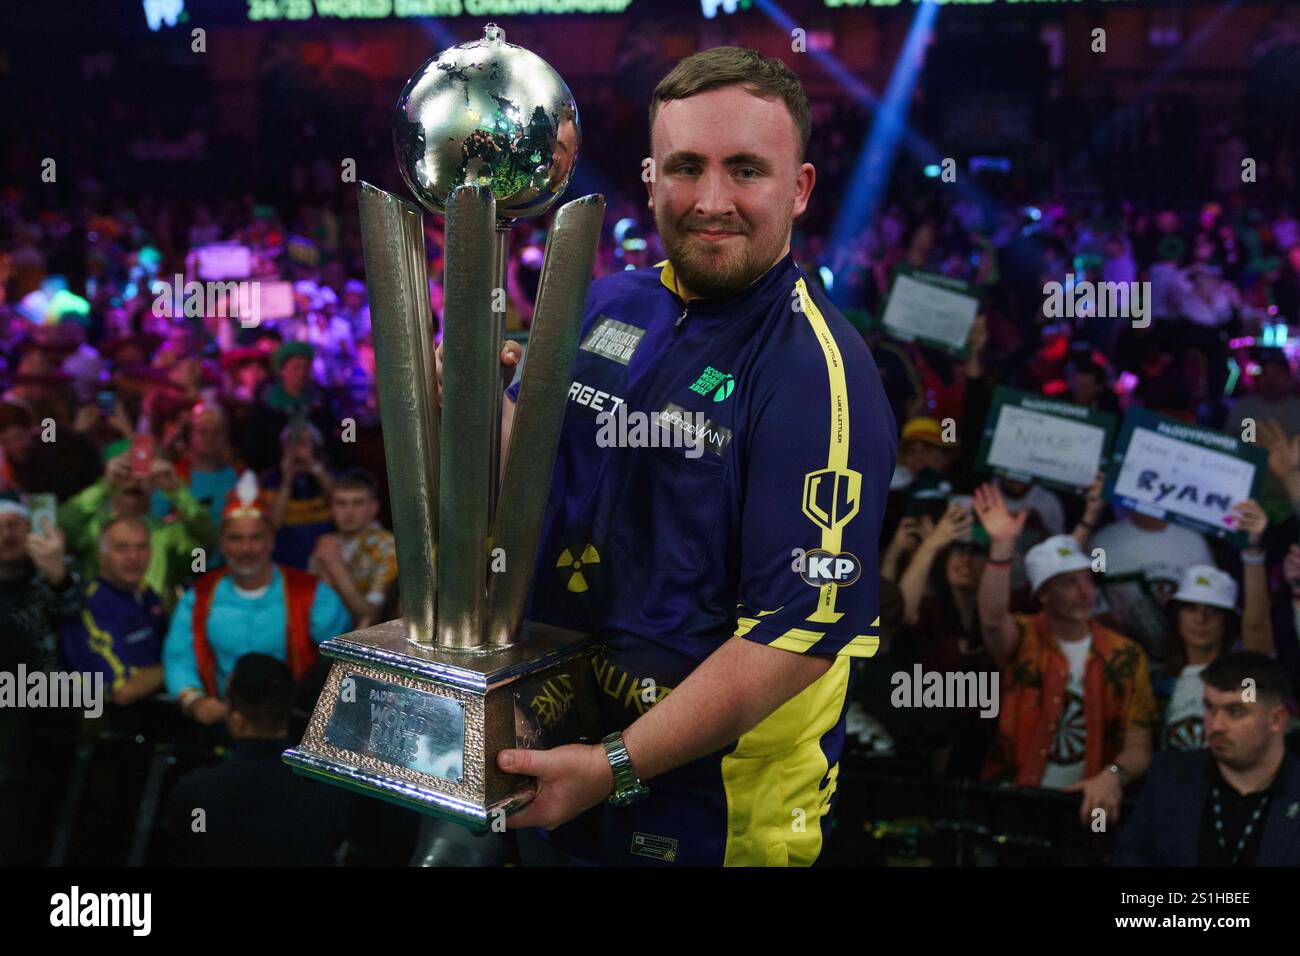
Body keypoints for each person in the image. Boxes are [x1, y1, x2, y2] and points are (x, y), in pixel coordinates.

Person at [442, 47, 895, 866]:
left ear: (799, 189)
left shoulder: (820, 377)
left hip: (708, 816)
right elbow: (518, 486)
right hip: (553, 762)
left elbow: (795, 639)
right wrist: (471, 407)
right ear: (650, 179)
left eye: (746, 169)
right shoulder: (601, 302)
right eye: (686, 167)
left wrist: (613, 766)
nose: (711, 201)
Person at [973, 483, 1156, 827]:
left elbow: (1139, 748)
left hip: (1085, 811)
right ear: (1043, 593)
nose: (1083, 591)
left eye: (1087, 580)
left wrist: (1112, 776)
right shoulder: (1025, 636)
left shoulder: (1126, 655)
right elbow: (992, 620)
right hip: (1013, 803)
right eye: (1068, 583)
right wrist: (1002, 547)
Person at [162, 472, 351, 726]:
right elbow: (178, 656)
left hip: (291, 726)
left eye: (256, 538)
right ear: (222, 543)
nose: (246, 549)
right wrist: (194, 701)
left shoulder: (309, 592)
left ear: (271, 540)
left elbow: (344, 657)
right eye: (236, 538)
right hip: (223, 724)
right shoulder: (199, 596)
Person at [159, 654, 353, 865]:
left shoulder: (195, 794)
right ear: (288, 710)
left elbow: (189, 843)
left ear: (236, 720)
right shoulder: (329, 792)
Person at [1113, 652, 1300, 866]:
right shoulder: (1169, 775)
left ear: (1276, 720)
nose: (1216, 725)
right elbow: (1129, 855)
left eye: (1235, 711)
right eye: (1210, 708)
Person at [59, 444, 213, 611]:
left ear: (154, 483)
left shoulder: (167, 532)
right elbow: (62, 525)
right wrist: (102, 486)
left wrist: (177, 491)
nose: (133, 480)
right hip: (100, 628)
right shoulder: (93, 528)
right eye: (124, 471)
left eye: (142, 470)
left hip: (155, 628)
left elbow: (205, 543)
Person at [60, 515, 166, 708]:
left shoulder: (147, 594)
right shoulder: (88, 605)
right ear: (102, 557)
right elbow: (123, 691)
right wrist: (178, 668)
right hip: (108, 726)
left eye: (141, 547)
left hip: (158, 718)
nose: (133, 556)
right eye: (122, 548)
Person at [308, 468, 395, 630]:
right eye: (341, 503)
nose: (349, 511)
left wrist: (335, 567)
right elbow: (312, 605)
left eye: (358, 503)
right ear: (331, 509)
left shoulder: (387, 548)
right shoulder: (326, 543)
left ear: (374, 508)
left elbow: (372, 617)